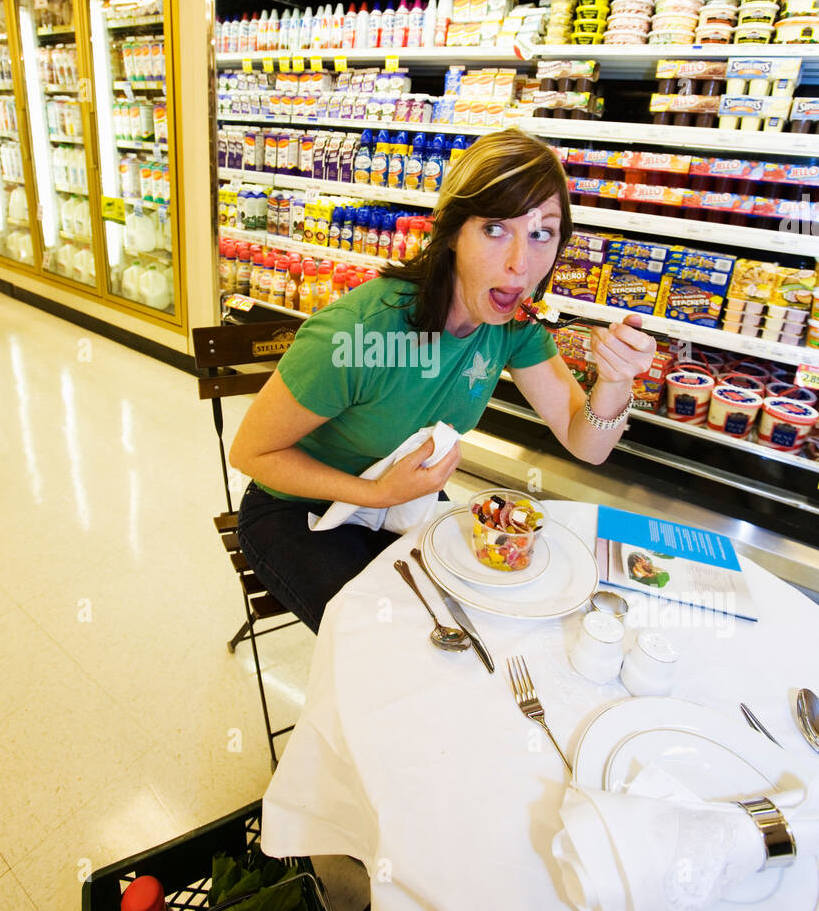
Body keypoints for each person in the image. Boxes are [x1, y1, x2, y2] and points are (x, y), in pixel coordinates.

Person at [229, 129, 656, 632]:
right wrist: (380, 493)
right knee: (393, 642)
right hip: (297, 511)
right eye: (495, 228)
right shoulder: (358, 332)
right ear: (452, 232)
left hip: (400, 501)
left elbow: (588, 445)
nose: (522, 264)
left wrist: (615, 380)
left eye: (542, 233)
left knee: (485, 623)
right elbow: (251, 454)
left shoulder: (514, 326)